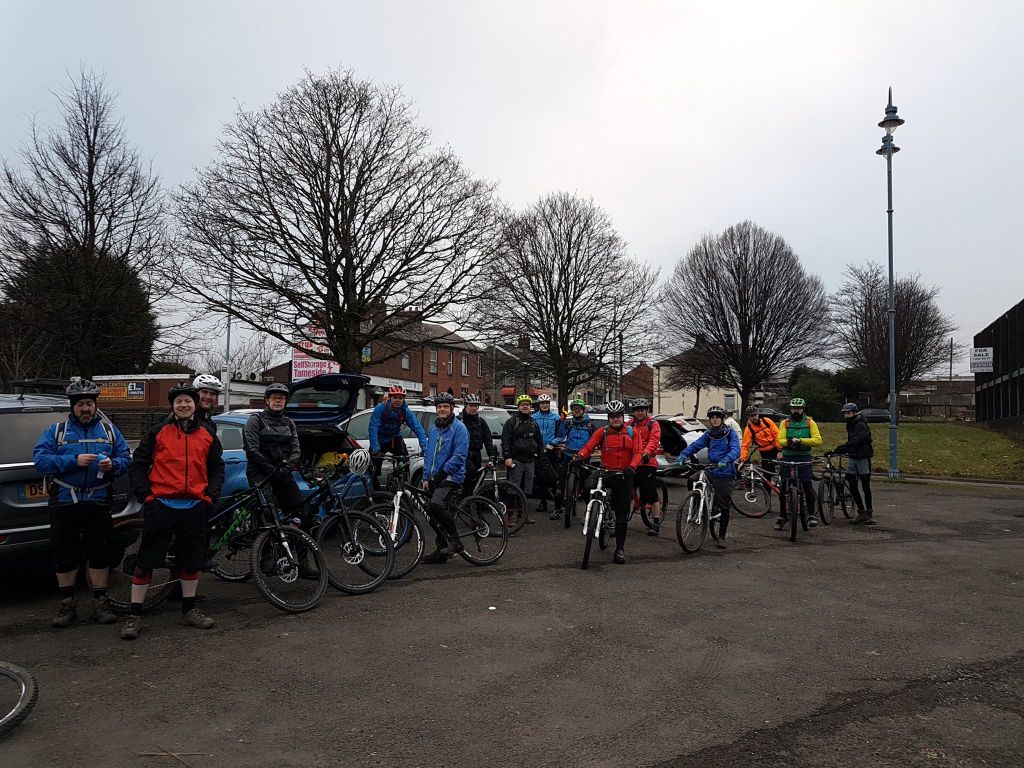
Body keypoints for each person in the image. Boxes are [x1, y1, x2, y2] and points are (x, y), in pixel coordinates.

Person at [123, 384, 224, 639]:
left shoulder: (207, 434)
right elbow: (138, 466)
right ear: (172, 405)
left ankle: (189, 609)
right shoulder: (158, 432)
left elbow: (216, 467)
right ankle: (134, 615)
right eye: (179, 401)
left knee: (191, 562)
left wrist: (209, 497)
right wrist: (147, 497)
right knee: (146, 563)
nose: (183, 405)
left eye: (188, 402)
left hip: (194, 507)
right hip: (162, 505)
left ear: (194, 405)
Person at [33, 379, 133, 629]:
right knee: (65, 554)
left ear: (95, 405)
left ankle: (100, 601)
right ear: (73, 407)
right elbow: (40, 460)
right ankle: (67, 603)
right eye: (80, 404)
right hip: (65, 501)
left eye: (89, 403)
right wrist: (74, 460)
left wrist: (113, 465)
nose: (85, 408)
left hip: (98, 500)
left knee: (100, 554)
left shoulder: (110, 431)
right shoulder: (57, 431)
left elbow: (125, 457)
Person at [573, 400, 642, 564]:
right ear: (608, 418)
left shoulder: (633, 433)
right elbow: (589, 446)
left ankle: (619, 549)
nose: (615, 419)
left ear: (622, 417)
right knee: (589, 485)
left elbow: (638, 452)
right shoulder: (602, 432)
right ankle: (594, 513)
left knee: (621, 515)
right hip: (606, 472)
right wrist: (580, 456)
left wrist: (632, 467)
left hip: (624, 475)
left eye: (618, 416)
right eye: (612, 416)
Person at [243, 383, 308, 533]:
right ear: (267, 400)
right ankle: (265, 553)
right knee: (267, 512)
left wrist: (286, 468)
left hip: (282, 473)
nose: (278, 401)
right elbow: (252, 450)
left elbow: (296, 450)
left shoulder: (289, 423)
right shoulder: (255, 420)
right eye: (274, 398)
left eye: (281, 398)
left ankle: (297, 550)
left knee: (303, 510)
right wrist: (271, 470)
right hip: (260, 474)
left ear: (286, 401)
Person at [676, 406, 741, 549]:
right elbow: (695, 446)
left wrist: (726, 459)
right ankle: (696, 504)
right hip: (711, 468)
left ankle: (721, 536)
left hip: (725, 471)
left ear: (722, 419)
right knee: (693, 479)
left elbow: (736, 449)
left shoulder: (730, 433)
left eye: (717, 416)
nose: (715, 419)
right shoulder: (709, 434)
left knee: (724, 504)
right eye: (712, 417)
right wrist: (683, 455)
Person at [420, 393, 471, 564]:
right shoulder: (434, 429)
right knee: (432, 512)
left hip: (453, 476)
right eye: (439, 407)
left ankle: (456, 542)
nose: (442, 409)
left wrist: (442, 473)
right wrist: (427, 476)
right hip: (436, 477)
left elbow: (460, 455)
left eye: (445, 407)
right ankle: (441, 550)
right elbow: (429, 455)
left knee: (437, 504)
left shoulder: (459, 428)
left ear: (451, 409)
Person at [774, 397, 822, 530]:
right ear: (790, 409)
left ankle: (812, 514)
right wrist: (789, 442)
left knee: (807, 484)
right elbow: (780, 440)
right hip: (788, 456)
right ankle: (782, 515)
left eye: (798, 408)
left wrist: (800, 441)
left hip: (804, 456)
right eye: (794, 408)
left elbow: (818, 440)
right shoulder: (785, 423)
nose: (796, 411)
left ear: (803, 409)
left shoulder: (810, 422)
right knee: (783, 487)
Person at [368, 385, 428, 484]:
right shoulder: (381, 408)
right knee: (372, 469)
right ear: (390, 398)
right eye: (395, 397)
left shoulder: (405, 411)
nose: (398, 400)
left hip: (394, 438)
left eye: (400, 398)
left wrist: (424, 447)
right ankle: (374, 493)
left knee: (404, 463)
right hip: (379, 440)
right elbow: (373, 427)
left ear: (403, 399)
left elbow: (417, 428)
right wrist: (375, 448)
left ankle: (403, 488)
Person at [827, 403, 875, 525]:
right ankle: (862, 511)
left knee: (865, 486)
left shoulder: (860, 425)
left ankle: (868, 512)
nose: (846, 415)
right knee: (852, 485)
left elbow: (854, 441)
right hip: (853, 456)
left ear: (854, 413)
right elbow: (851, 442)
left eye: (848, 413)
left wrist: (837, 450)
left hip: (862, 457)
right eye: (844, 413)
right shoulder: (851, 424)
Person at [501, 394, 544, 524]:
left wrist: (540, 457)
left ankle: (522, 515)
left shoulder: (533, 423)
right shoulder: (512, 422)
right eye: (523, 404)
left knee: (527, 489)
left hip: (530, 460)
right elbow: (505, 440)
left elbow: (539, 441)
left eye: (528, 404)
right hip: (516, 460)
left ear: (531, 407)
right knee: (513, 489)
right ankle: (510, 516)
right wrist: (507, 456)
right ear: (518, 406)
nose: (525, 406)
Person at [552, 398, 595, 521]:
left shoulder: (590, 425)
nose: (576, 411)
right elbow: (560, 436)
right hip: (569, 454)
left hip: (583, 457)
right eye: (574, 409)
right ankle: (557, 509)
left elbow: (595, 440)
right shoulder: (569, 423)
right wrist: (562, 420)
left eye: (579, 409)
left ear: (583, 410)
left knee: (587, 486)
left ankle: (588, 512)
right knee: (561, 483)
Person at [627, 399, 664, 536]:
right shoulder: (630, 424)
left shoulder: (653, 424)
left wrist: (646, 453)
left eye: (642, 410)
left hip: (647, 462)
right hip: (632, 461)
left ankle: (655, 523)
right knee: (625, 488)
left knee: (650, 492)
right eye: (637, 410)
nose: (640, 413)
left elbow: (654, 440)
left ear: (646, 411)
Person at [457, 393, 498, 497]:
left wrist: (491, 454)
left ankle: (471, 500)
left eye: (476, 406)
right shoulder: (459, 421)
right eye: (471, 406)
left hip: (476, 454)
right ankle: (463, 498)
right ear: (465, 406)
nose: (474, 408)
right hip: (464, 454)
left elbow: (487, 439)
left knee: (477, 478)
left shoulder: (480, 421)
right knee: (469, 475)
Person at [531, 394, 564, 516]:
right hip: (539, 451)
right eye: (542, 403)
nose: (544, 405)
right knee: (541, 478)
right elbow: (531, 434)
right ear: (539, 405)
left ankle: (558, 504)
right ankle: (543, 502)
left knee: (554, 477)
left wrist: (552, 443)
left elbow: (560, 434)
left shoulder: (555, 418)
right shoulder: (533, 418)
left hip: (551, 451)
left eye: (547, 403)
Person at [739, 405, 779, 473]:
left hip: (776, 448)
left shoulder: (767, 421)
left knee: (783, 470)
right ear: (748, 417)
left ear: (758, 414)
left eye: (755, 415)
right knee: (767, 473)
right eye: (752, 416)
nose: (754, 417)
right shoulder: (749, 429)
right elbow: (745, 445)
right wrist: (743, 460)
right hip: (765, 452)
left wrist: (780, 450)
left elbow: (776, 435)